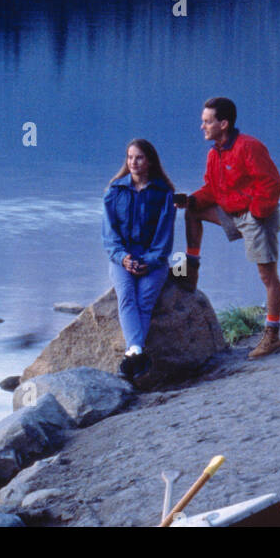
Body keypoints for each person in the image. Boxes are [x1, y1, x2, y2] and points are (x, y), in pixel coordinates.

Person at [175, 97, 280, 359]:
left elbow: (271, 184)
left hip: (256, 216)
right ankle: (191, 268)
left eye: (207, 121)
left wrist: (257, 213)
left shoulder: (249, 146)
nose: (202, 126)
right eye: (203, 121)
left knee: (267, 276)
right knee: (192, 211)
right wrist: (190, 200)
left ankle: (272, 335)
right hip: (232, 212)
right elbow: (212, 190)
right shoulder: (215, 153)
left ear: (223, 124)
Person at [102, 138, 176, 382]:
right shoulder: (114, 191)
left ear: (150, 161)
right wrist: (124, 259)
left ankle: (131, 355)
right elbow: (109, 237)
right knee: (126, 297)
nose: (133, 162)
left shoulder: (164, 194)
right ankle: (137, 354)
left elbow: (164, 238)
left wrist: (149, 261)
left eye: (139, 157)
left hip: (152, 260)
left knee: (145, 301)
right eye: (130, 157)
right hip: (121, 259)